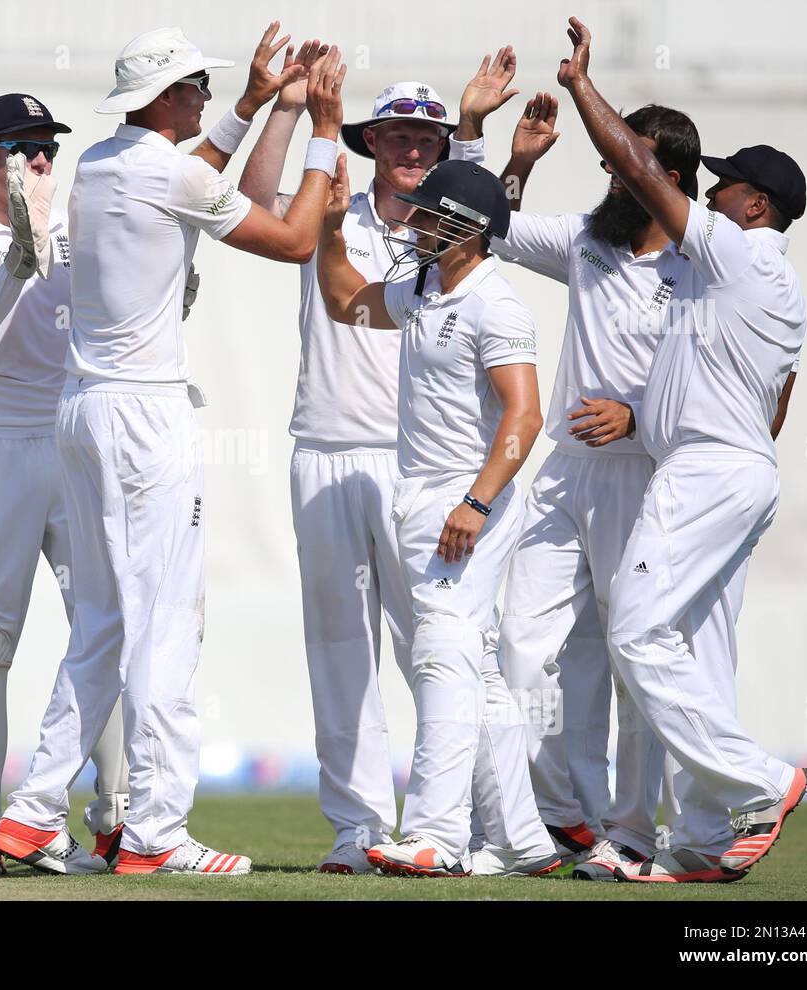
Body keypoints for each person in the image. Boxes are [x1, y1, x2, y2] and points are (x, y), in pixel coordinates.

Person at [0, 23, 347, 876]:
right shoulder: (169, 168)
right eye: (193, 87)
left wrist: (267, 107)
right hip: (144, 418)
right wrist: (325, 134)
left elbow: (215, 182)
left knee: (107, 626)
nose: (203, 98)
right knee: (167, 626)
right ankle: (155, 832)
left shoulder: (105, 164)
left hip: (85, 411)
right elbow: (294, 237)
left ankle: (35, 813)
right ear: (160, 98)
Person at [238, 47, 553, 876]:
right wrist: (292, 113)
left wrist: (487, 136)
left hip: (439, 477)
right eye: (399, 134)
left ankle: (491, 833)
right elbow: (310, 266)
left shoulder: (458, 241)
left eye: (430, 135)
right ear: (373, 141)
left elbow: (493, 221)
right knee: (345, 656)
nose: (414, 147)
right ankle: (363, 830)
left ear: (445, 151)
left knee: (451, 657)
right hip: (333, 451)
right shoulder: (348, 211)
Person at [557, 17, 807, 883]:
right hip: (736, 471)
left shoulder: (736, 254)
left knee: (634, 632)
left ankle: (762, 780)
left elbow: (637, 168)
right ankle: (704, 844)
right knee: (688, 648)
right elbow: (778, 410)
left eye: (727, 185)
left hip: (704, 472)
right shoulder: (770, 286)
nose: (712, 194)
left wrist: (581, 87)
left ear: (755, 207)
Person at [316, 158, 551, 877]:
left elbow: (525, 413)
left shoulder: (496, 304)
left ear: (467, 231)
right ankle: (519, 840)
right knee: (472, 667)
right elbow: (346, 303)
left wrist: (476, 501)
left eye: (428, 214)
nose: (412, 222)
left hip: (471, 496)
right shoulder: (422, 286)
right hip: (422, 494)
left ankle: (437, 836)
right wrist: (329, 228)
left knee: (440, 651)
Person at [488, 93, 704, 879]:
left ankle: (636, 833)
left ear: (666, 178)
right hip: (563, 473)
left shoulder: (700, 267)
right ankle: (568, 820)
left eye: (626, 166)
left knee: (635, 655)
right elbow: (494, 229)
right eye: (610, 165)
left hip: (645, 477)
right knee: (519, 646)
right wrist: (517, 162)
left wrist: (639, 419)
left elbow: (726, 386)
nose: (612, 177)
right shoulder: (587, 241)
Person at [0, 93, 134, 877]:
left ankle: (115, 819)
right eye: (23, 148)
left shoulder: (76, 226)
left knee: (109, 624)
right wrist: (20, 248)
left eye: (47, 150)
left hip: (73, 440)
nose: (40, 163)